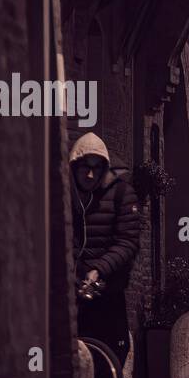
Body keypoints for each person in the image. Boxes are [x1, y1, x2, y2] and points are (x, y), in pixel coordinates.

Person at [70, 132, 141, 365]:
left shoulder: (121, 194)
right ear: (74, 167)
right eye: (84, 168)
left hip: (108, 289)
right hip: (73, 289)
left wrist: (99, 269)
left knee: (111, 354)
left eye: (96, 168)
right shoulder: (65, 195)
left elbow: (128, 241)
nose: (90, 175)